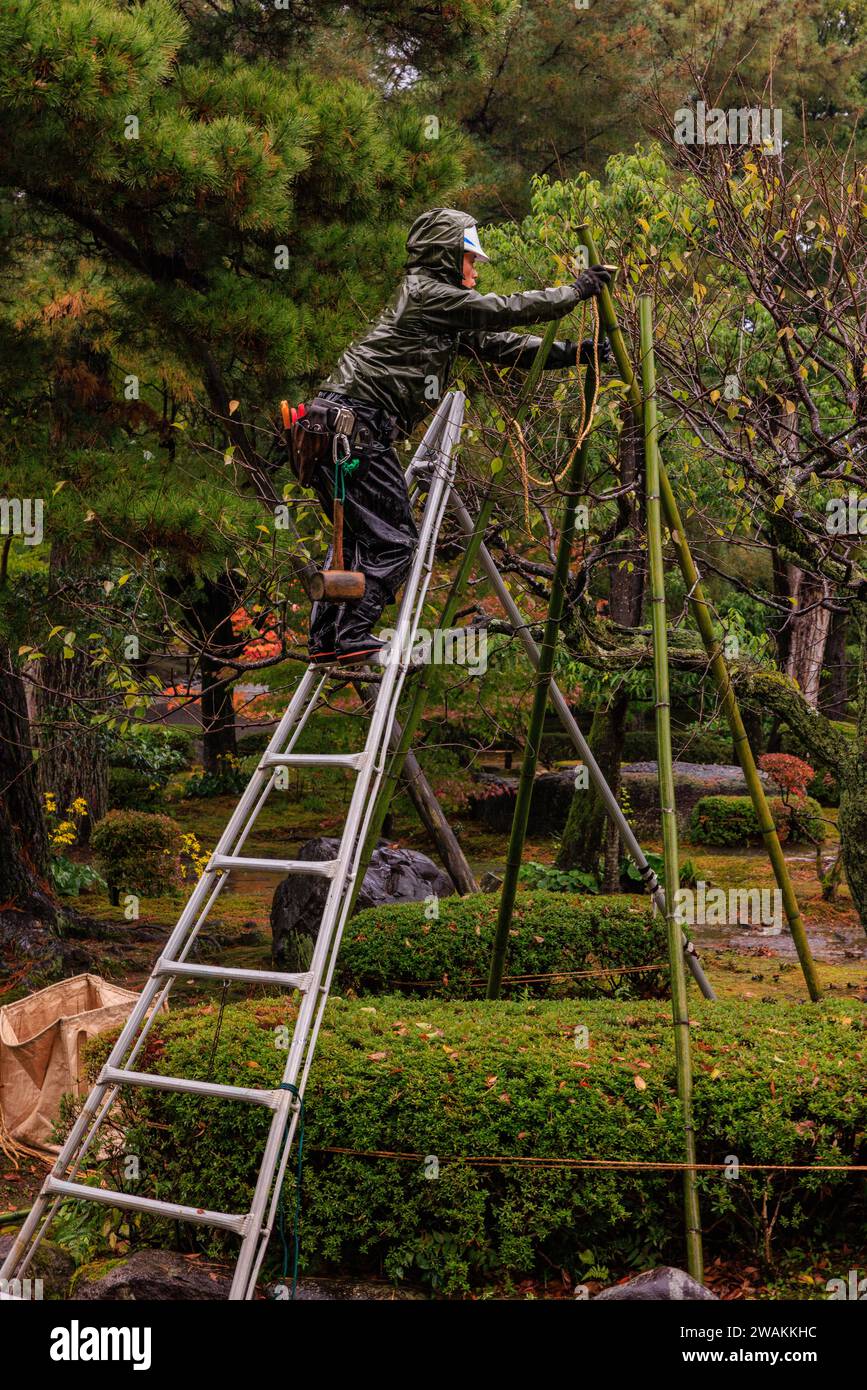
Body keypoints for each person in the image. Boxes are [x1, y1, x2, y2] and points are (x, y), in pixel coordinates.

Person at [302, 207, 613, 666]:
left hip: (334, 427)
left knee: (361, 542)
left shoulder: (439, 309)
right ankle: (350, 636)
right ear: (444, 256)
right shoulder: (424, 293)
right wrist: (575, 291)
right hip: (355, 426)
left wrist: (575, 353)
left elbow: (500, 345)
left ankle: (327, 638)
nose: (474, 270)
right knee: (396, 540)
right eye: (468, 260)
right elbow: (501, 310)